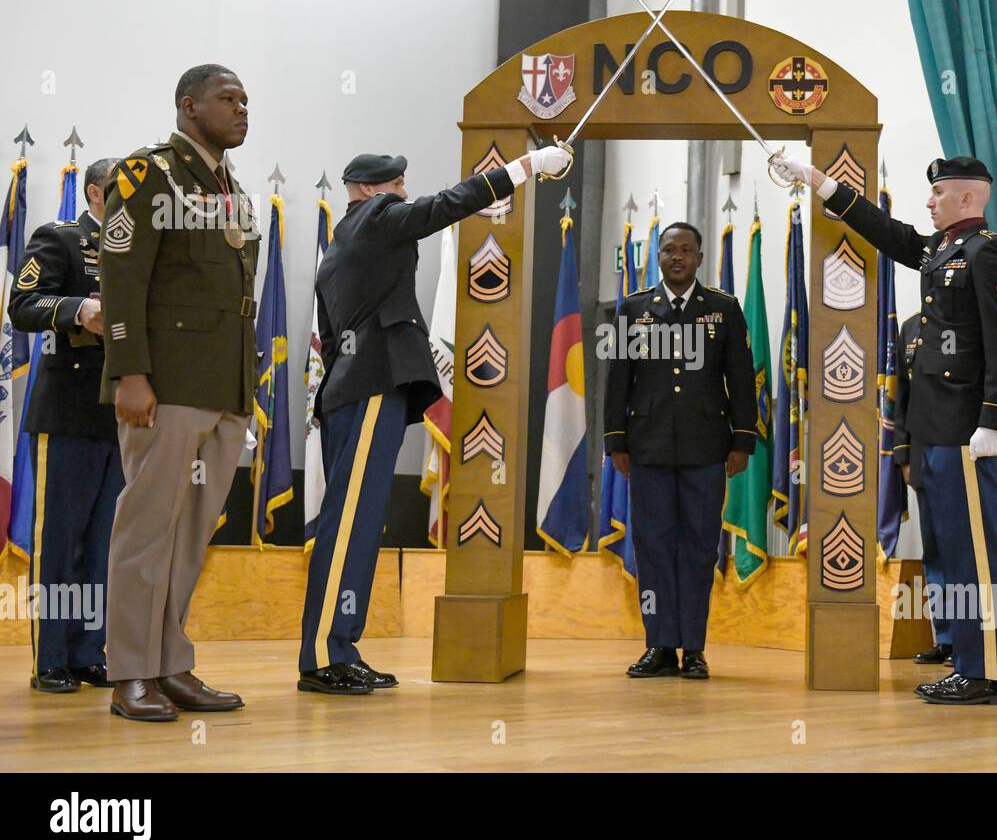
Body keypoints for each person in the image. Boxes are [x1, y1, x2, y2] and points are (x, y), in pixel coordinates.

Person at [297, 143, 572, 694]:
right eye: (397, 184)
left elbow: (330, 335)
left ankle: (340, 647)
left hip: (355, 388)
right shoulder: (377, 217)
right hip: (370, 386)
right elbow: (446, 205)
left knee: (358, 524)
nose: (405, 193)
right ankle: (326, 654)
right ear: (371, 190)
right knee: (350, 524)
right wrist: (525, 168)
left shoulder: (341, 243)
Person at [772, 153, 997, 704]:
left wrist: (995, 419)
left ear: (967, 197)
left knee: (975, 555)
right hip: (934, 428)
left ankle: (987, 671)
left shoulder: (987, 252)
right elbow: (887, 233)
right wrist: (820, 183)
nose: (929, 202)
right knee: (948, 550)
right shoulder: (941, 249)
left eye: (939, 194)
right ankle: (964, 661)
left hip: (967, 432)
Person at [99, 64, 258, 721]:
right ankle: (130, 672)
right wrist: (129, 372)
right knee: (146, 533)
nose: (242, 108)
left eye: (245, 99)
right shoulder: (149, 174)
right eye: (228, 98)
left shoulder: (231, 187)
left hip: (222, 386)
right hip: (165, 385)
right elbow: (121, 277)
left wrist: (244, 390)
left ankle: (170, 663)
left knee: (190, 536)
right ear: (189, 107)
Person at [603, 221, 757, 680]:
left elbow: (741, 378)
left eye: (686, 250)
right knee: (652, 549)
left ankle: (693, 647)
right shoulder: (634, 309)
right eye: (669, 249)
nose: (677, 257)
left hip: (705, 447)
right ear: (659, 256)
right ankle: (659, 644)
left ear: (699, 259)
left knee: (698, 549)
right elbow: (618, 379)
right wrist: (616, 441)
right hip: (647, 447)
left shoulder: (723, 309)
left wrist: (742, 440)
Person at [10, 158, 122, 693]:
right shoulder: (60, 238)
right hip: (70, 410)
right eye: (123, 190)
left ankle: (87, 652)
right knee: (61, 540)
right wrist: (79, 308)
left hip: (125, 414)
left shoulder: (142, 249)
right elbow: (23, 304)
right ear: (95, 193)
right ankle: (52, 656)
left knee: (104, 543)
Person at [893, 311, 952, 667]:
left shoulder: (966, 319)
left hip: (959, 450)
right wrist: (903, 454)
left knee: (961, 550)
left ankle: (969, 639)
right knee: (934, 550)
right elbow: (902, 395)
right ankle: (945, 637)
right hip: (921, 452)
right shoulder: (911, 327)